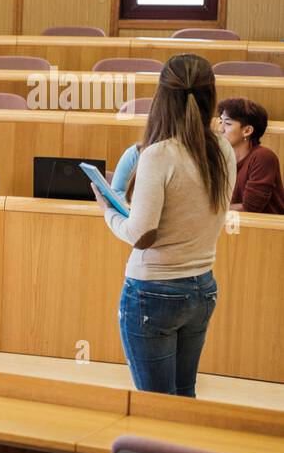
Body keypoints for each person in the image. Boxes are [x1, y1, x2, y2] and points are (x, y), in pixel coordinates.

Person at [92, 54, 233, 397]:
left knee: (155, 406)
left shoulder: (158, 154)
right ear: (209, 96)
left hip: (153, 291)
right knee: (183, 397)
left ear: (161, 97)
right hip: (202, 287)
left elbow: (141, 234)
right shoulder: (224, 148)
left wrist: (107, 208)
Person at [216, 97, 284, 215]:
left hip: (266, 230)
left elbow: (250, 208)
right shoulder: (222, 157)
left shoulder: (263, 157)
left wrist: (209, 210)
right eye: (220, 121)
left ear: (247, 130)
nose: (220, 129)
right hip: (235, 227)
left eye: (227, 123)